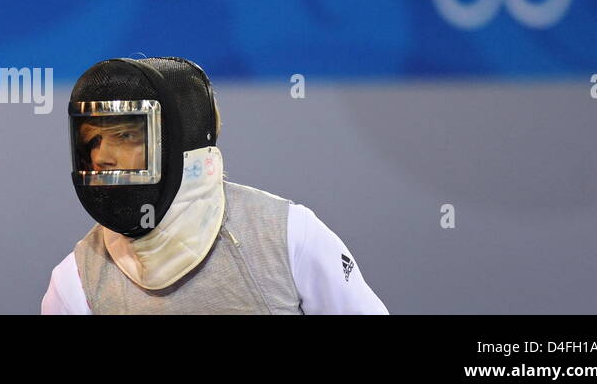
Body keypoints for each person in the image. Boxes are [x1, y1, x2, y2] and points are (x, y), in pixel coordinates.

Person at [41, 57, 388, 314]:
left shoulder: (286, 237)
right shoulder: (76, 281)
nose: (102, 156)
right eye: (94, 140)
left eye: (126, 135)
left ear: (181, 146)